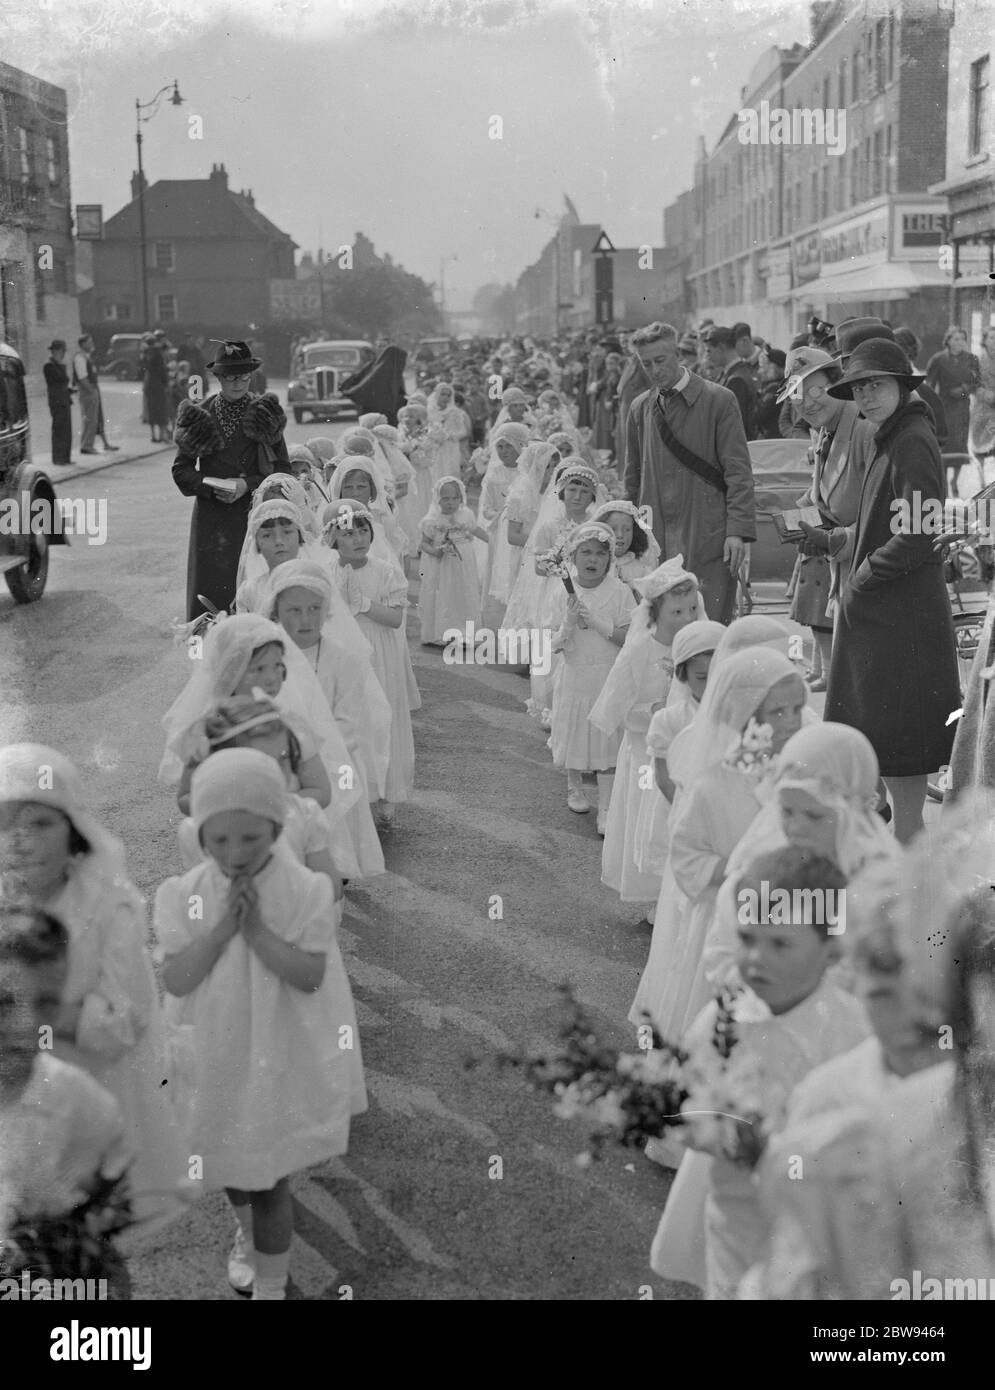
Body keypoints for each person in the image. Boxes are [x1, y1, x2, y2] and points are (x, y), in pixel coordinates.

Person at [155, 749, 366, 1300]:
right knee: (229, 1162)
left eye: (251, 837)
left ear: (277, 825)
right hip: (214, 1050)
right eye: (218, 840)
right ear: (199, 836)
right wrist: (224, 929)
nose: (234, 853)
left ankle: (272, 1286)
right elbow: (177, 979)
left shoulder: (303, 890)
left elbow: (311, 974)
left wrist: (258, 936)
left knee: (270, 1175)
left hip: (277, 1048)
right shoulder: (186, 896)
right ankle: (247, 1240)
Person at [651, 845, 869, 1299]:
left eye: (780, 944)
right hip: (735, 1218)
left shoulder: (851, 1033)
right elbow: (681, 1106)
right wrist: (700, 1123)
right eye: (748, 939)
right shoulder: (722, 1017)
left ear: (831, 950)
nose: (755, 959)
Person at [0, 743, 187, 1228]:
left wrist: (47, 1015)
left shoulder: (109, 905)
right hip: (10, 1085)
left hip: (87, 1082)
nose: (20, 840)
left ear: (75, 834)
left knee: (81, 1226)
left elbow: (127, 1016)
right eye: (7, 823)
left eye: (41, 824)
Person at [803, 339, 961, 842]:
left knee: (902, 748)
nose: (866, 397)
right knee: (891, 746)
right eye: (859, 388)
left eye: (876, 385)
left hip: (902, 615)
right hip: (885, 612)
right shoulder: (887, 432)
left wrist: (867, 571)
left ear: (900, 385)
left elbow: (920, 530)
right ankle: (904, 870)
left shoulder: (910, 438)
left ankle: (911, 886)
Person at [703, 721, 901, 989]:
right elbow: (723, 953)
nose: (795, 828)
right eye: (786, 811)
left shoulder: (879, 888)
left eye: (814, 815)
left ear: (853, 816)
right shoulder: (758, 876)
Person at [0, 903, 133, 1290]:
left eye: (43, 1003)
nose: (24, 1025)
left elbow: (104, 1204)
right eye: (3, 1003)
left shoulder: (77, 1099)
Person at [623, 322, 756, 623]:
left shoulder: (719, 400)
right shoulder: (639, 408)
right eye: (646, 364)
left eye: (661, 360)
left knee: (709, 626)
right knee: (659, 630)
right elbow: (632, 478)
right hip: (655, 536)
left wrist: (737, 531)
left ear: (680, 355)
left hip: (708, 534)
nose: (654, 370)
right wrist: (629, 534)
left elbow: (738, 472)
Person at [591, 558, 702, 873]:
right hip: (645, 749)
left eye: (693, 609)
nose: (687, 618)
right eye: (677, 612)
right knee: (647, 814)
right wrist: (650, 712)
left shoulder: (697, 646)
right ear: (656, 612)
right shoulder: (641, 648)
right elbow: (619, 704)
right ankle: (649, 885)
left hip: (684, 746)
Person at [776, 346, 876, 692]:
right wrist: (790, 519)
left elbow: (880, 513)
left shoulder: (863, 429)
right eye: (797, 394)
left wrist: (833, 539)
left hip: (865, 572)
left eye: (817, 389)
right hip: (841, 571)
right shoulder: (825, 430)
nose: (807, 402)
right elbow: (821, 494)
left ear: (839, 384)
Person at [171, 341, 291, 621]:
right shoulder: (199, 415)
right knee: (211, 599)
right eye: (230, 376)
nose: (238, 383)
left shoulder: (266, 413)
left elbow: (284, 470)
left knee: (256, 592)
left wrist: (247, 485)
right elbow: (181, 471)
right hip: (212, 522)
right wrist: (213, 486)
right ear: (219, 377)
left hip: (255, 516)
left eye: (244, 376)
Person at [325, 505, 419, 827]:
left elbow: (394, 619)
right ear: (333, 539)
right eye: (349, 533)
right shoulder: (327, 573)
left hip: (380, 654)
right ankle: (357, 794)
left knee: (383, 720)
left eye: (363, 531)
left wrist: (363, 604)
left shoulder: (385, 571)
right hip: (345, 654)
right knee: (354, 723)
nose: (358, 538)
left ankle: (386, 795)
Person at [548, 522, 636, 814]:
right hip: (576, 677)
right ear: (573, 557)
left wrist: (599, 623)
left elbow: (628, 638)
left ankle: (607, 807)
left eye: (600, 553)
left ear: (609, 559)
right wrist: (568, 624)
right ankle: (575, 788)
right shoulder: (562, 593)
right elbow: (551, 645)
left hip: (607, 677)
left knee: (607, 739)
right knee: (576, 731)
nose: (592, 559)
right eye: (585, 552)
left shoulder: (620, 592)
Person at [419, 476, 488, 646]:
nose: (450, 503)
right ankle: (443, 630)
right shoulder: (432, 520)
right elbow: (424, 543)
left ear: (461, 498)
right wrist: (435, 551)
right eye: (446, 498)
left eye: (455, 498)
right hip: (442, 564)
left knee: (463, 593)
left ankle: (465, 631)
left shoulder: (466, 515)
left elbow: (476, 529)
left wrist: (493, 542)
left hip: (463, 563)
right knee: (445, 594)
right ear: (437, 499)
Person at [926, 326, 981, 496]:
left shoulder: (972, 359)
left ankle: (954, 481)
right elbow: (930, 385)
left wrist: (964, 390)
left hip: (962, 408)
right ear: (948, 340)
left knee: (959, 444)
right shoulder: (938, 359)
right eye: (956, 339)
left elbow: (976, 383)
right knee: (944, 443)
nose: (959, 343)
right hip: (943, 407)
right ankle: (942, 482)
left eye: (962, 339)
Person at [590, 499, 661, 592]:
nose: (620, 535)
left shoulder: (642, 570)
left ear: (635, 532)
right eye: (613, 529)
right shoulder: (592, 565)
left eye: (627, 529)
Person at [703, 326, 758, 440]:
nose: (707, 356)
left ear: (721, 348)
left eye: (709, 351)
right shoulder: (732, 374)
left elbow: (734, 425)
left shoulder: (737, 380)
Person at [72, 334, 119, 455]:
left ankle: (101, 444)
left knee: (97, 418)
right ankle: (87, 446)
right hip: (88, 391)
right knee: (90, 419)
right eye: (89, 342)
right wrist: (91, 391)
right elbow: (82, 378)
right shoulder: (80, 357)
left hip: (92, 389)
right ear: (83, 344)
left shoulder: (87, 357)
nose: (92, 344)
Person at [340, 345, 407, 425]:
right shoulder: (380, 372)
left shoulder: (394, 373)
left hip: (386, 414)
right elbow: (363, 386)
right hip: (376, 414)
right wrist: (347, 392)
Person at [969, 325, 995, 485]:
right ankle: (982, 483)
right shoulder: (977, 360)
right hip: (984, 409)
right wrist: (987, 395)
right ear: (985, 340)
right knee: (981, 449)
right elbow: (973, 384)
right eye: (991, 338)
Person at [42, 339, 74, 465]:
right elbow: (56, 381)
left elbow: (64, 382)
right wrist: (60, 364)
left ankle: (66, 458)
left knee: (67, 430)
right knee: (59, 429)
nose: (63, 353)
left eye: (64, 351)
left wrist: (70, 390)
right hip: (56, 401)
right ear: (55, 351)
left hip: (65, 400)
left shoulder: (60, 365)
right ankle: (58, 458)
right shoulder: (49, 366)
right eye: (62, 350)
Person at [143, 333, 171, 443]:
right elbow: (162, 371)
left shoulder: (146, 353)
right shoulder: (158, 355)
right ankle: (163, 436)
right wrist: (166, 382)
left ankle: (153, 435)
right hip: (158, 385)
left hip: (149, 383)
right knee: (161, 409)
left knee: (152, 409)